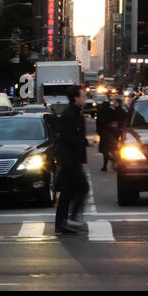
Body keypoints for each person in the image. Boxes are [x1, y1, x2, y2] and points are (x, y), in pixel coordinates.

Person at [55, 85, 89, 235]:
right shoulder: (70, 115)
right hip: (71, 161)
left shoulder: (75, 113)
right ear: (76, 98)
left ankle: (62, 224)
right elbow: (68, 137)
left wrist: (84, 142)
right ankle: (72, 220)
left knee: (67, 193)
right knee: (83, 188)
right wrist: (85, 142)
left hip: (72, 160)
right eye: (83, 96)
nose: (85, 98)